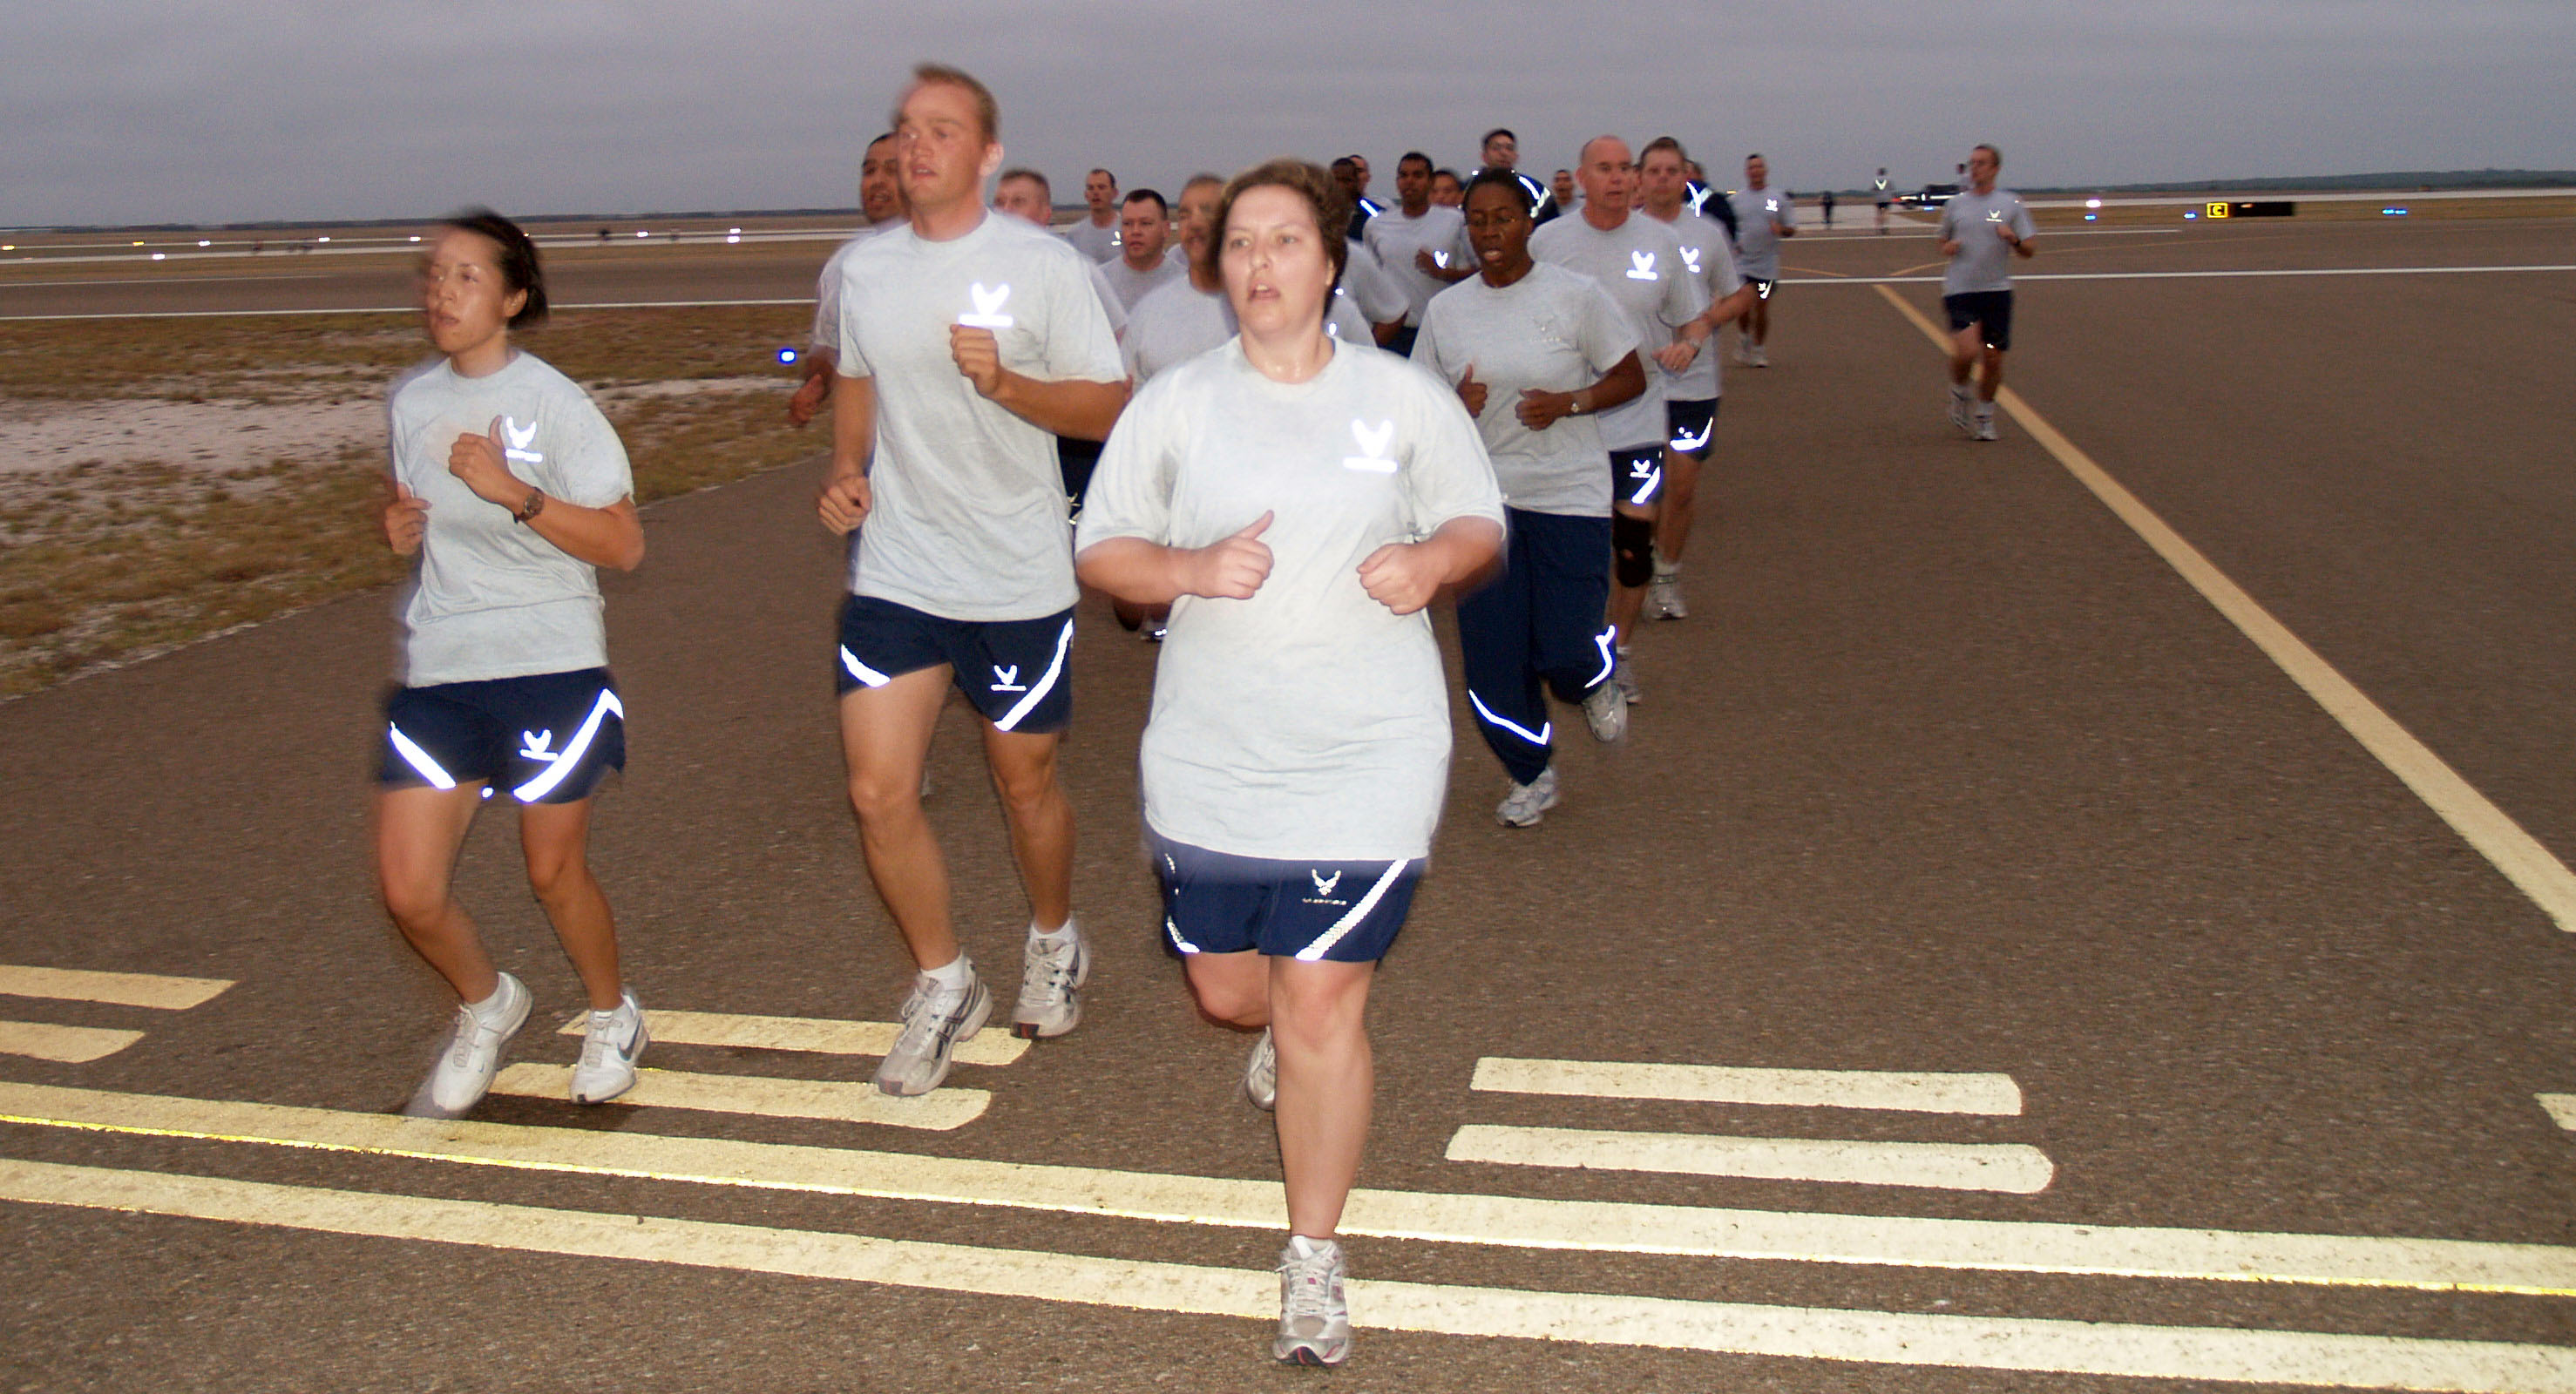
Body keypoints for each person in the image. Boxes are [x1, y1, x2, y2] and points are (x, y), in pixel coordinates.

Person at [1079, 157, 1503, 1368]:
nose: (1260, 263)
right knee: (1229, 990)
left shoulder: (1398, 397)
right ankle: (1298, 1024)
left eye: (1285, 242)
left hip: (1369, 745)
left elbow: (1476, 519)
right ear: (1220, 270)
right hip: (1215, 750)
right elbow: (1102, 548)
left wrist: (1432, 567)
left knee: (1320, 999)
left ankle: (1313, 1256)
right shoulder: (1176, 403)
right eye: (1241, 244)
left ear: (1328, 263)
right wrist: (1187, 570)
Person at [820, 64, 1129, 1094]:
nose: (916, 147)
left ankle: (1054, 936)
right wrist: (847, 471)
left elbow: (1106, 408)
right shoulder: (863, 269)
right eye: (905, 130)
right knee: (877, 790)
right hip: (899, 568)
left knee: (1022, 782)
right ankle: (945, 981)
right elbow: (856, 378)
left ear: (987, 154)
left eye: (941, 131)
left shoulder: (1042, 266)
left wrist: (1007, 384)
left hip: (1014, 575)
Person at [377, 210, 648, 1119]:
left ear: (513, 296)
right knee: (410, 892)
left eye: (464, 276)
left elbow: (622, 545)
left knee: (551, 869)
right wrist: (400, 530)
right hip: (443, 665)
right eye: (434, 275)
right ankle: (488, 1005)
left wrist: (515, 492)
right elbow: (420, 514)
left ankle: (612, 1013)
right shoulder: (411, 404)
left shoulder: (556, 405)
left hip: (550, 660)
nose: (441, 292)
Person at [1414, 170, 1643, 824]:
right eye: (1478, 220)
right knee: (1491, 665)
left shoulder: (1576, 297)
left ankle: (1593, 679)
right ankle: (1530, 772)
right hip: (1482, 504)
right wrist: (1454, 404)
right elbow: (1421, 406)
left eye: (1503, 218)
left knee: (1565, 649)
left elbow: (1630, 374)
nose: (1489, 232)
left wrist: (1572, 402)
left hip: (1567, 494)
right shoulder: (1447, 311)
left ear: (1529, 224)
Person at [1531, 135, 1705, 705]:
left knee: (1632, 548)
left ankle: (1619, 654)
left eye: (1624, 168)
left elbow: (1693, 320)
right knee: (1569, 553)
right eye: (1603, 168)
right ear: (1581, 178)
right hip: (1566, 423)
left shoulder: (1662, 242)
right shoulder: (1548, 243)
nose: (1617, 178)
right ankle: (1568, 647)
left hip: (1635, 422)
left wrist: (1688, 347)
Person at [1635, 137, 1755, 624]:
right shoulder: (1622, 233)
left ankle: (1666, 575)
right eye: (1654, 171)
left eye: (1671, 170)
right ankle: (1633, 571)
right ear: (1639, 178)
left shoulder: (1707, 235)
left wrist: (1705, 323)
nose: (1663, 178)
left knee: (1680, 488)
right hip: (1633, 385)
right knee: (1639, 491)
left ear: (1685, 177)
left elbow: (1741, 295)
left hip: (1693, 383)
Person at [997, 166, 1129, 507]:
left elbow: (1118, 334)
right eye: (1000, 202)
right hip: (1008, 436)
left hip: (1068, 432)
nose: (1006, 210)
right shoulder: (982, 275)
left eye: (1019, 202)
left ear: (1044, 214)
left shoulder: (1072, 267)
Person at [790, 133, 909, 428]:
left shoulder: (957, 260)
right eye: (870, 171)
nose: (877, 181)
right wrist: (814, 388)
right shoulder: (847, 264)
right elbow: (829, 346)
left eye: (892, 171)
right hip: (879, 448)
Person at [1937, 143, 2036, 442]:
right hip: (1960, 289)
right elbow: (1942, 240)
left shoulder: (2010, 205)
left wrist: (2013, 239)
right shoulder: (1955, 205)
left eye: (1981, 163)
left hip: (1996, 291)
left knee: (1992, 358)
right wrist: (1948, 247)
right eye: (1972, 163)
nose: (1975, 168)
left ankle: (1985, 415)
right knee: (1967, 351)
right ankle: (1958, 391)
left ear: (1995, 168)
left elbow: (2030, 250)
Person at [1363, 151, 1478, 357]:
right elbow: (1369, 279)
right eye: (1404, 176)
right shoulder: (1376, 225)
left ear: (1430, 181)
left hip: (1438, 329)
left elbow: (1482, 272)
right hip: (1394, 331)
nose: (1410, 182)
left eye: (1417, 175)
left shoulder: (1455, 221)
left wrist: (1444, 273)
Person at [1726, 153, 1797, 367]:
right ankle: (1744, 338)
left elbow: (1791, 229)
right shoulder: (1736, 200)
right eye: (1751, 168)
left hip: (1766, 267)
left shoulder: (1777, 199)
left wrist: (1781, 229)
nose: (1755, 171)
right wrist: (1732, 244)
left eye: (1759, 167)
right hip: (1743, 265)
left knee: (1763, 307)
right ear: (1747, 172)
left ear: (1765, 170)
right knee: (1743, 307)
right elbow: (1727, 228)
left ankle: (1759, 349)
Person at [1101, 188, 1184, 314]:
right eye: (1128, 224)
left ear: (1165, 229)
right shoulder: (1099, 283)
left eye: (1145, 223)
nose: (1135, 231)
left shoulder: (1186, 284)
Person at [1474, 128, 1555, 222]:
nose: (1503, 153)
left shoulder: (1536, 190)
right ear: (1484, 156)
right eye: (1496, 148)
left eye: (1509, 148)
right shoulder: (1467, 188)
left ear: (1516, 156)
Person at [1065, 167, 1123, 262]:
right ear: (1086, 195)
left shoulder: (1127, 230)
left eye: (1101, 187)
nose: (1096, 193)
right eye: (1091, 188)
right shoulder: (1075, 235)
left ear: (1114, 193)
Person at [1330, 156, 1383, 241]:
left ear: (1356, 182)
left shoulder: (1374, 213)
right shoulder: (1320, 212)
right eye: (1336, 180)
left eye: (1346, 181)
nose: (1341, 185)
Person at [1873, 166, 1893, 233]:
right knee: (1886, 213)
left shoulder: (1875, 179)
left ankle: (1878, 228)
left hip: (1878, 199)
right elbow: (1891, 188)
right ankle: (1885, 227)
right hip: (1886, 198)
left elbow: (1874, 188)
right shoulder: (1888, 179)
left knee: (1879, 213)